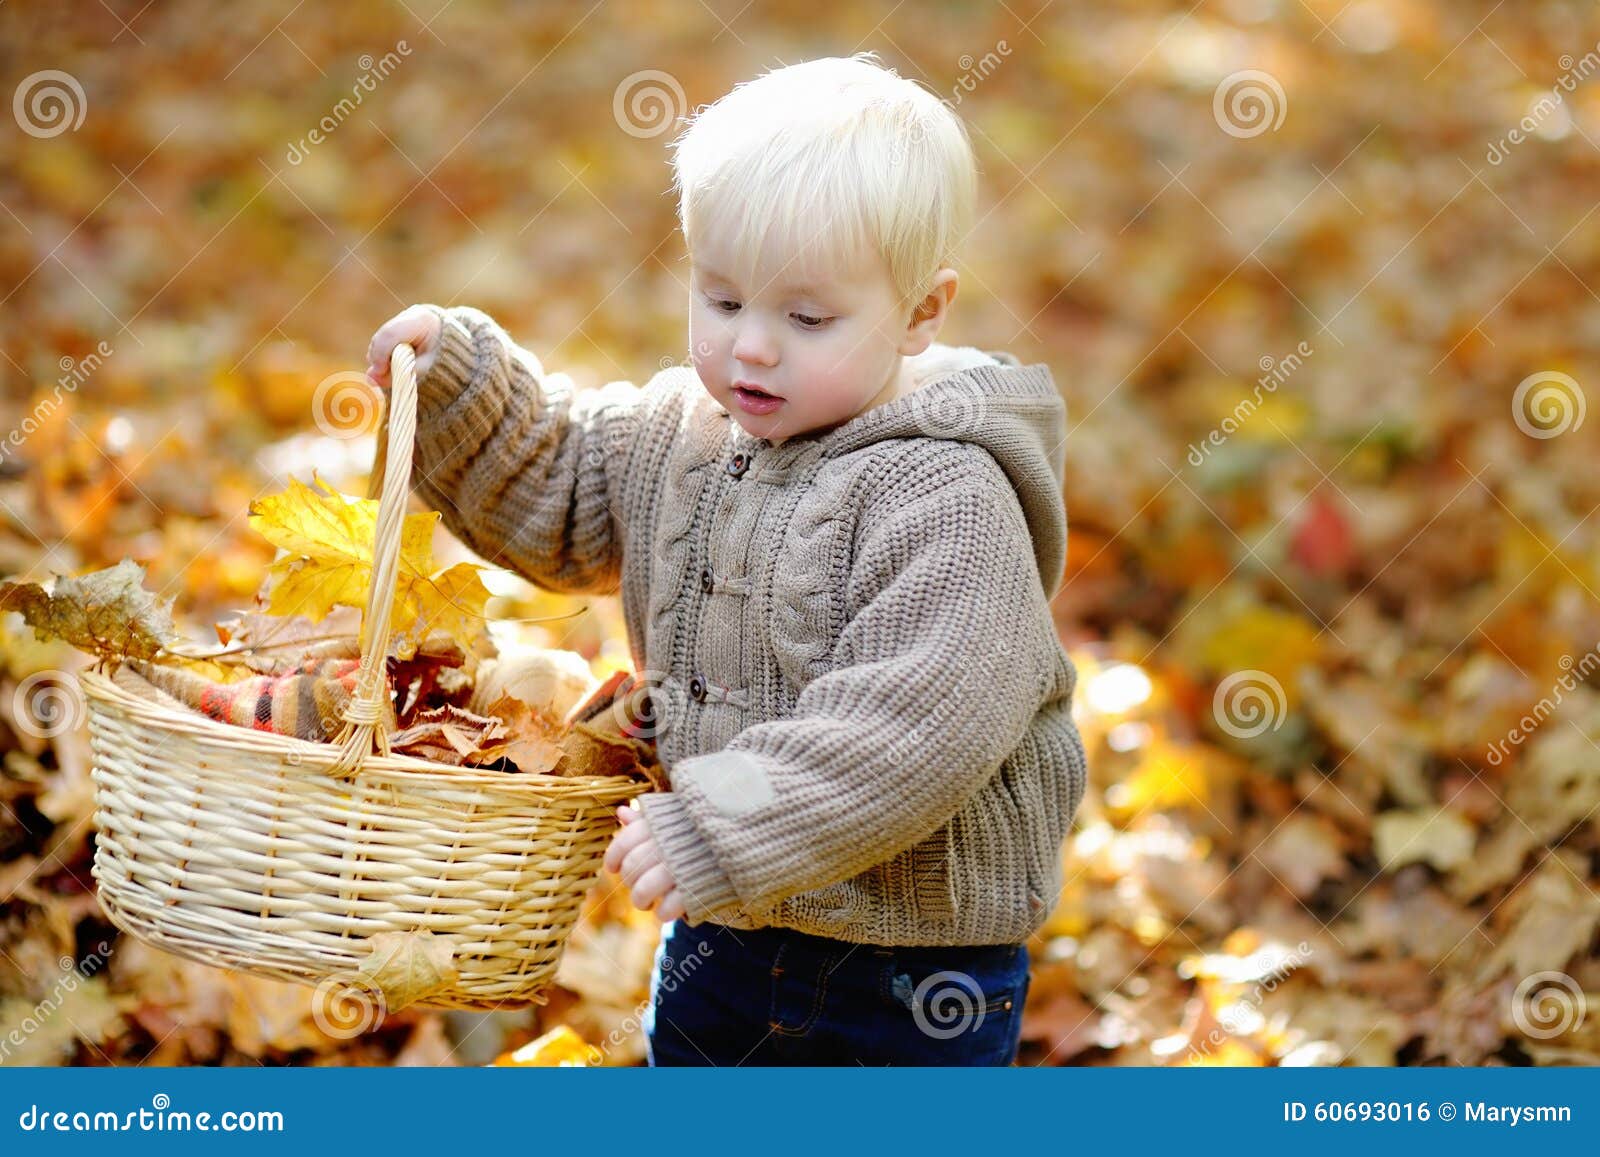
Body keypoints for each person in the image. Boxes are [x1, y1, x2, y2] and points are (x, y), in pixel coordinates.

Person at [365, 51, 1086, 1066]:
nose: (750, 347)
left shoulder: (945, 496)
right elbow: (562, 488)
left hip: (912, 964)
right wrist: (461, 389)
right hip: (725, 923)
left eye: (805, 317)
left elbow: (916, 722)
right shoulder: (686, 430)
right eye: (721, 298)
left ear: (923, 310)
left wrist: (722, 817)